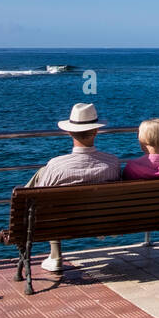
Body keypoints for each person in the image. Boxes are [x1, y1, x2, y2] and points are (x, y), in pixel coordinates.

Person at [27, 103, 121, 273]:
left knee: (43, 190)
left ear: (69, 132)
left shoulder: (56, 166)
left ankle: (55, 256)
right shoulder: (113, 163)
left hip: (63, 223)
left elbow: (36, 200)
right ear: (96, 131)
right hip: (101, 221)